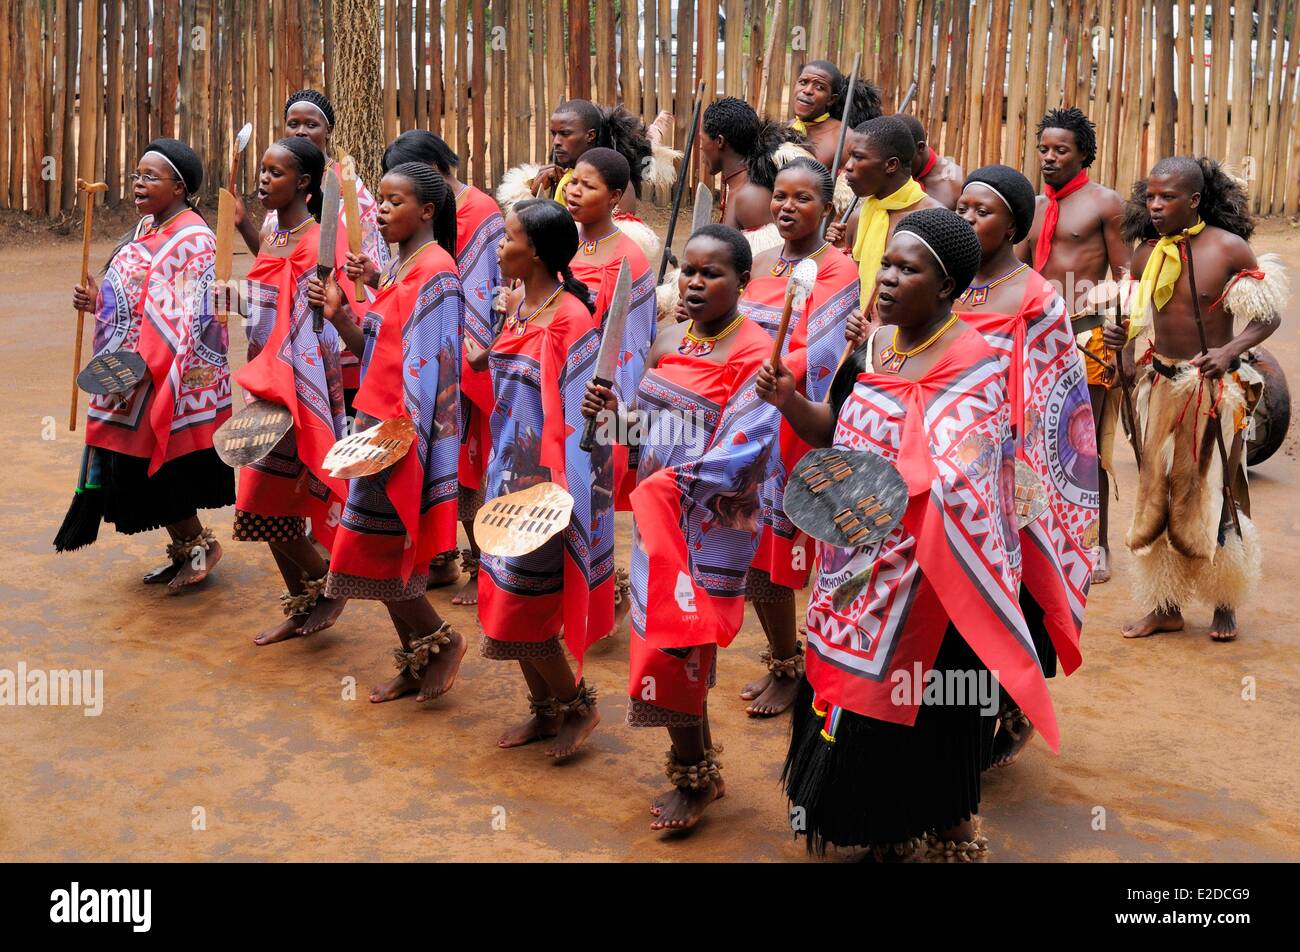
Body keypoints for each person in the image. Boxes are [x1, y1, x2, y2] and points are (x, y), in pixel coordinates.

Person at [757, 208, 1058, 861]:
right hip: (857, 572)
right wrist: (787, 399)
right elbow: (833, 432)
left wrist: (892, 489)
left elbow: (969, 483)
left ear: (946, 287)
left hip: (936, 581)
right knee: (855, 703)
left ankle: (945, 830)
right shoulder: (874, 347)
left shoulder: (973, 363)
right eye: (885, 264)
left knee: (928, 716)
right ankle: (879, 829)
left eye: (907, 269)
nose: (887, 279)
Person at [583, 225, 780, 831]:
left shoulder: (754, 354)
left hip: (708, 525)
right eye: (688, 271)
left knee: (678, 649)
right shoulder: (667, 339)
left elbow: (750, 446)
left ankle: (696, 776)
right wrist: (609, 420)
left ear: (743, 282)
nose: (695, 284)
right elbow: (640, 436)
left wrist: (673, 488)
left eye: (712, 273)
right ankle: (693, 765)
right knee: (658, 644)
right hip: (656, 524)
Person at [1103, 156, 1282, 643]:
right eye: (1151, 197)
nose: (1155, 206)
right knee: (1157, 489)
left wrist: (1228, 351)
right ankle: (1165, 606)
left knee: (1220, 487)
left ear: (1195, 200)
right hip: (1158, 386)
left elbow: (1267, 318)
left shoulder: (1228, 249)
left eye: (1168, 198)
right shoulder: (1145, 256)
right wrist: (1122, 350)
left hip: (1214, 391)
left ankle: (1225, 600)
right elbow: (1136, 319)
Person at [306, 162, 466, 701]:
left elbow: (435, 368)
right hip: (376, 422)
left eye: (395, 201)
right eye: (380, 199)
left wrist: (407, 442)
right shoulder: (400, 267)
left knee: (378, 545)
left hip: (405, 432)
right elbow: (373, 354)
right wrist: (337, 316)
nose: (382, 209)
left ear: (427, 210)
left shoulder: (438, 271)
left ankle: (438, 642)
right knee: (374, 546)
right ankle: (422, 651)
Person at [953, 165, 1095, 767]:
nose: (966, 219)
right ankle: (954, 728)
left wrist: (1010, 466)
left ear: (1013, 224)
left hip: (1017, 477)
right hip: (947, 472)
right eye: (960, 208)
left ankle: (1012, 708)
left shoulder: (1037, 298)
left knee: (1014, 594)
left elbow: (1059, 397)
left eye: (980, 211)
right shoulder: (942, 279)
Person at [59, 138, 233, 590]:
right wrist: (99, 302)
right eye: (136, 174)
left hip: (165, 373)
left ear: (179, 186)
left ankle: (200, 546)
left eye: (150, 176)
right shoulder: (145, 229)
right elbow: (133, 299)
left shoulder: (194, 238)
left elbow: (189, 314)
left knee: (160, 465)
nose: (138, 182)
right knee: (133, 465)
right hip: (130, 373)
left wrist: (149, 365)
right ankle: (184, 549)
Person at [472, 200, 613, 759]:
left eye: (506, 239)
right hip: (504, 474)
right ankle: (545, 709)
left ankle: (578, 706)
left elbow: (585, 412)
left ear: (533, 252)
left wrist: (562, 492)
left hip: (544, 487)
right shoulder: (523, 307)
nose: (498, 247)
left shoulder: (570, 318)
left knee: (526, 604)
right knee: (507, 597)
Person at [737, 157, 859, 717]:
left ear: (828, 208)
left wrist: (767, 376)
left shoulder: (838, 268)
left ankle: (795, 666)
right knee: (749, 551)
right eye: (781, 196)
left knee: (776, 554)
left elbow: (826, 353)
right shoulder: (761, 260)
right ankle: (783, 658)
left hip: (790, 420)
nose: (787, 207)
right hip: (741, 416)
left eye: (802, 198)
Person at [377, 130, 507, 605]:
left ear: (432, 169)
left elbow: (484, 283)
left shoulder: (481, 210)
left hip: (467, 351)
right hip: (437, 344)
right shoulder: (430, 215)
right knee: (442, 461)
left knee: (469, 467)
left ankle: (482, 566)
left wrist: (473, 345)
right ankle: (441, 558)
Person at [228, 138, 350, 646]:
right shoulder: (278, 231)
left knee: (262, 498)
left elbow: (322, 316)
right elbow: (268, 290)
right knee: (267, 499)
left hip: (303, 384)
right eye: (261, 171)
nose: (263, 180)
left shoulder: (322, 238)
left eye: (275, 173)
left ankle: (327, 583)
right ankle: (305, 599)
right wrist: (241, 226)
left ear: (304, 183)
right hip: (266, 379)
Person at [1016, 107, 1129, 585]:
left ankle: (1096, 544)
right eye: (1043, 148)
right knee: (1033, 439)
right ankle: (1039, 536)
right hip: (1037, 333)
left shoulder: (1105, 203)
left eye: (1060, 149)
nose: (1049, 157)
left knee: (1087, 444)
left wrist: (1123, 334)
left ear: (1083, 153)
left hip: (1088, 333)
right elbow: (1017, 268)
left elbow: (1127, 275)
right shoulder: (1034, 207)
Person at [237, 88, 391, 410]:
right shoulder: (282, 185)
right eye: (293, 124)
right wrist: (244, 226)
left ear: (328, 130)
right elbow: (274, 260)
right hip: (289, 340)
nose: (301, 131)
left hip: (342, 338)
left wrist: (337, 306)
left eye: (311, 124)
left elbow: (365, 268)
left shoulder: (349, 190)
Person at [497, 99, 677, 259]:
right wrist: (535, 195)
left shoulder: (617, 185)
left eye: (565, 134)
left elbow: (614, 248)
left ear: (590, 136)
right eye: (554, 134)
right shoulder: (560, 175)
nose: (556, 142)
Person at [826, 115, 944, 310]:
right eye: (850, 156)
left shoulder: (935, 221)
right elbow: (855, 290)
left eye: (859, 157)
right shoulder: (858, 218)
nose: (848, 166)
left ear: (891, 165)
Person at [699, 96, 809, 231]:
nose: (700, 147)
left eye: (702, 139)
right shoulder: (737, 184)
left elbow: (767, 251)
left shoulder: (750, 197)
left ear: (720, 141)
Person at [789, 59, 883, 170]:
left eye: (819, 87)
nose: (807, 90)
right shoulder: (785, 128)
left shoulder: (844, 138)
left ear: (831, 99)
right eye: (803, 82)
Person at [897, 113, 963, 209]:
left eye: (901, 158)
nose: (894, 166)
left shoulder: (955, 182)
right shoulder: (888, 173)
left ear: (920, 147)